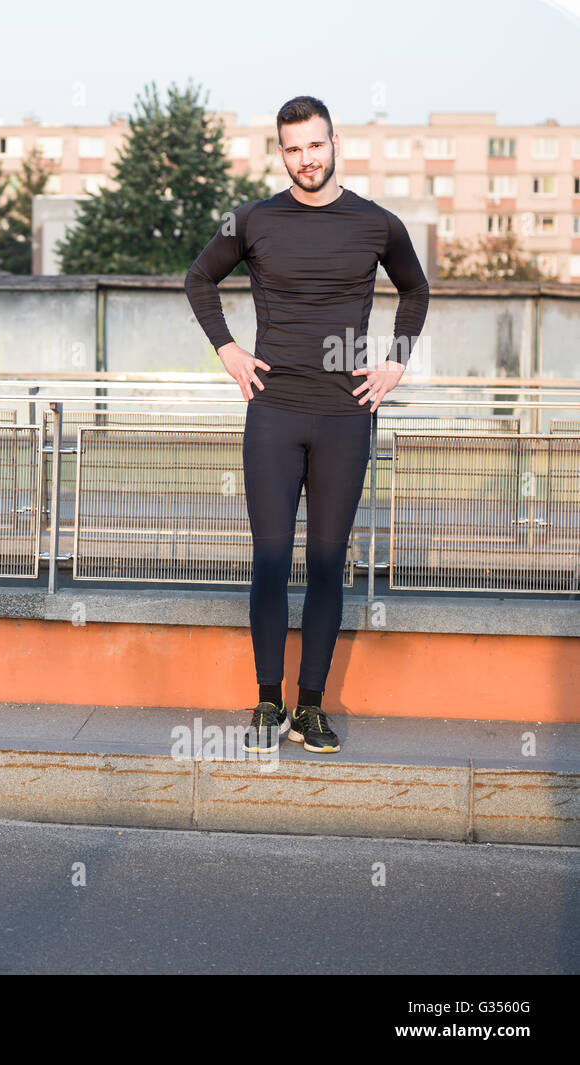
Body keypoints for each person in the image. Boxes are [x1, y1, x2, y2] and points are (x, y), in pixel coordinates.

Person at [183, 95, 429, 754]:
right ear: (281, 151)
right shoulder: (253, 220)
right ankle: (268, 701)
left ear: (334, 141)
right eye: (292, 149)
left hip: (346, 415)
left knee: (325, 564)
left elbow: (416, 289)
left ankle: (311, 706)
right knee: (269, 560)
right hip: (273, 412)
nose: (305, 158)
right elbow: (199, 278)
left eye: (314, 145)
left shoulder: (376, 224)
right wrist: (229, 351)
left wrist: (395, 363)